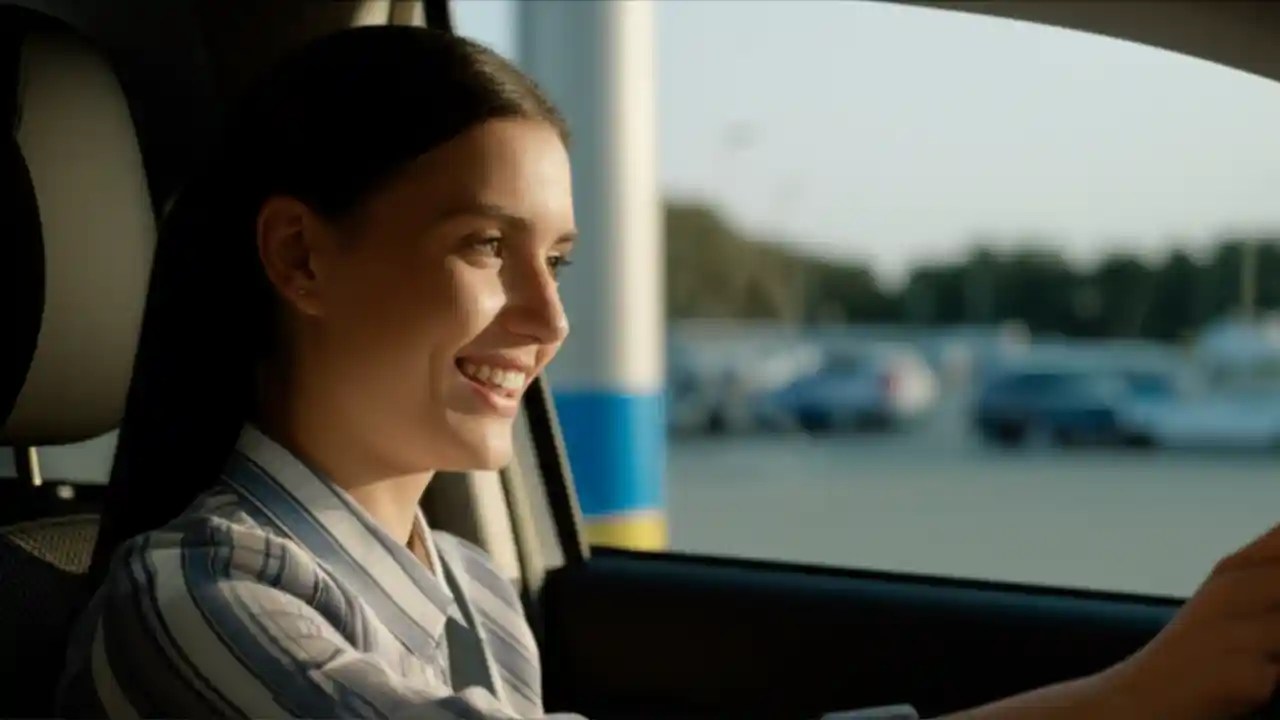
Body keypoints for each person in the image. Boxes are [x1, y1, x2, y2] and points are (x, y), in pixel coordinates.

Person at [54, 24, 1280, 720]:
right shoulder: (197, 604)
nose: (548, 318)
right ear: (300, 256)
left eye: (562, 261)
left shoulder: (473, 590)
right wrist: (1129, 697)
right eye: (485, 247)